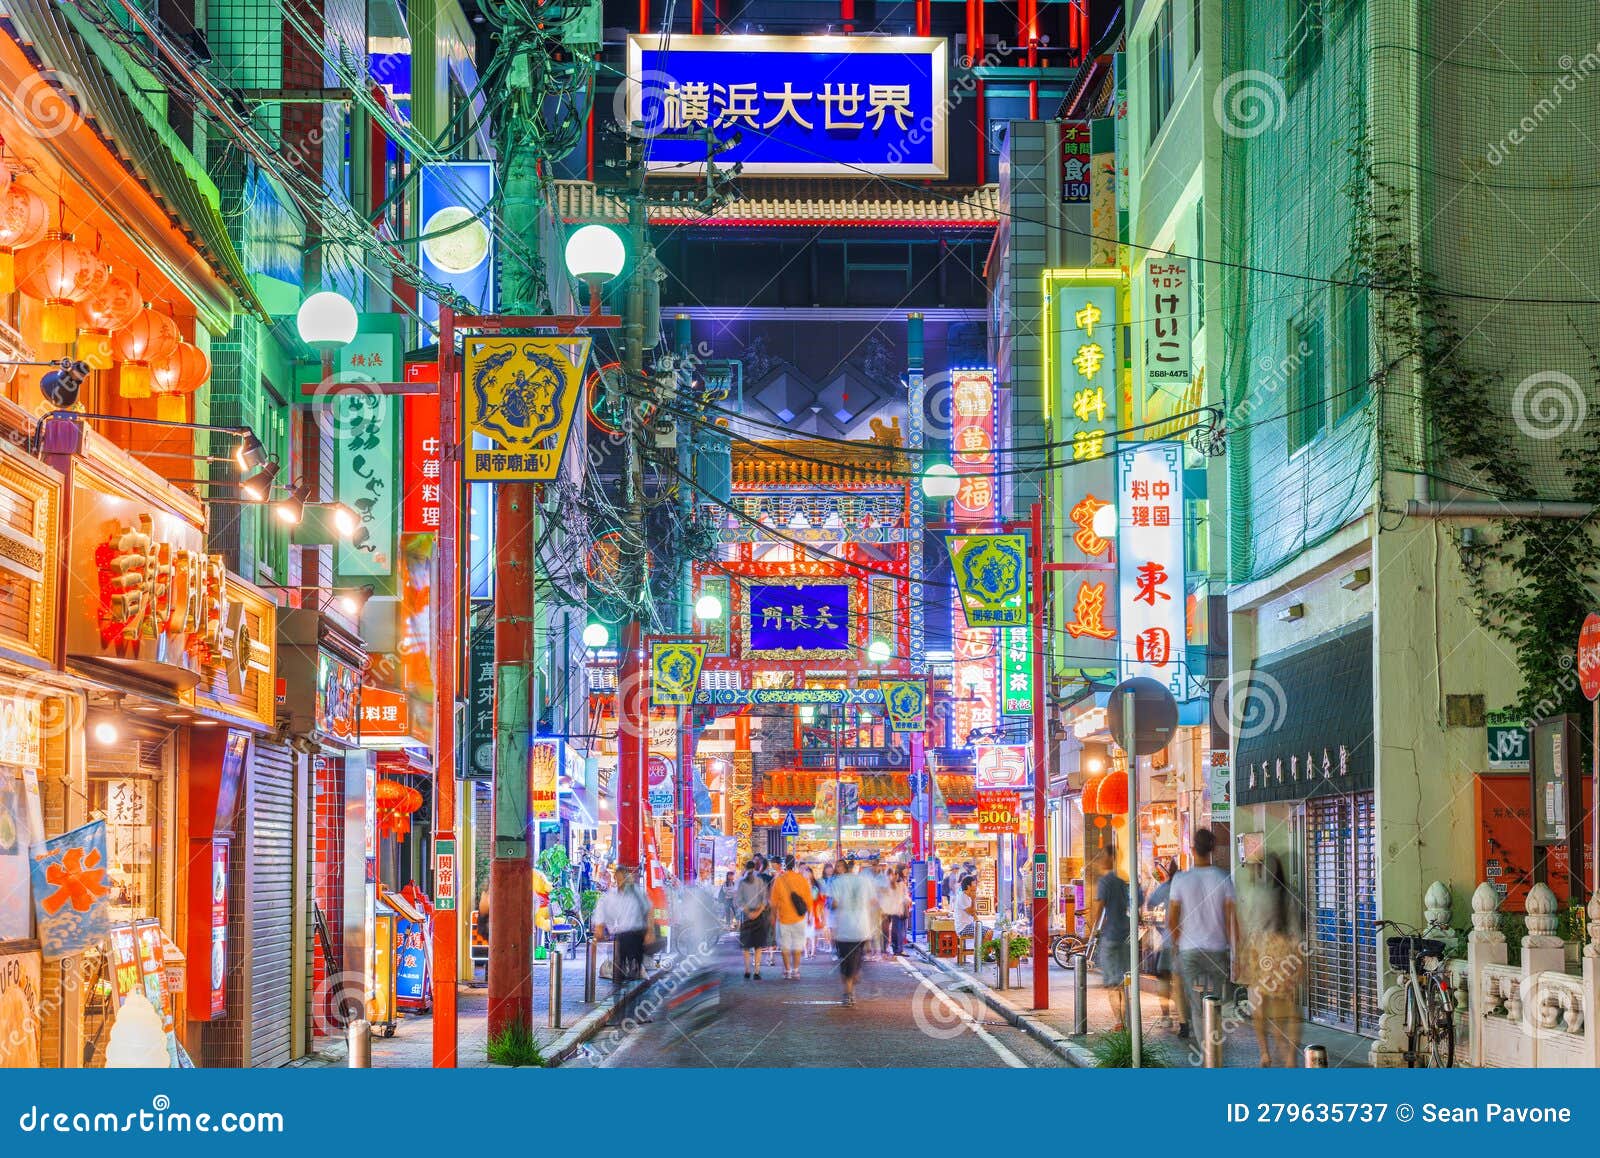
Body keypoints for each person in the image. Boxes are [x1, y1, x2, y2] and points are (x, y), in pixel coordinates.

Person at [1168, 827, 1238, 1039]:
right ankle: (1215, 1044)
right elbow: (1231, 920)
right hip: (1217, 949)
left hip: (1189, 950)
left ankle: (1204, 1049)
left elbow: (1172, 920)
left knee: (1196, 1007)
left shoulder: (1180, 879)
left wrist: (1177, 945)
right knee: (1216, 1001)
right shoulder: (1223, 878)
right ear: (1212, 849)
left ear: (1192, 849)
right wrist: (1236, 951)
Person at [1240, 853, 1304, 1066]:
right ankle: (1289, 1055)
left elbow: (1251, 928)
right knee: (1287, 1004)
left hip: (1263, 951)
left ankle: (1265, 1053)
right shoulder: (1291, 894)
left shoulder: (1257, 894)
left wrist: (1245, 958)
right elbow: (1297, 931)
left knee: (1260, 1005)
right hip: (1287, 952)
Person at [592, 864, 653, 1003]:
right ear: (615, 879)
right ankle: (620, 1001)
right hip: (621, 936)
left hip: (637, 934)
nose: (621, 882)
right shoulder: (610, 896)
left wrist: (650, 932)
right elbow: (601, 911)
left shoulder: (637, 893)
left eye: (623, 878)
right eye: (618, 879)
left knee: (635, 969)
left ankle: (636, 1001)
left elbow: (649, 910)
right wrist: (599, 930)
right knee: (619, 969)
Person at [1089, 847, 1132, 1031]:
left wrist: (1092, 930)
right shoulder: (1124, 882)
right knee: (1124, 981)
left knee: (1113, 984)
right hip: (1126, 935)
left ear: (1112, 857)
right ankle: (1127, 1021)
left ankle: (1119, 1022)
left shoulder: (1106, 881)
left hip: (1111, 937)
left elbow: (1098, 909)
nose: (1099, 859)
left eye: (1102, 856)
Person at [827, 859, 877, 1007]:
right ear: (855, 868)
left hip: (843, 927)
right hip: (862, 927)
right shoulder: (865, 881)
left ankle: (848, 993)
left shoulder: (837, 882)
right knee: (856, 959)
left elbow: (834, 903)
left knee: (845, 962)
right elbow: (873, 902)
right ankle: (853, 977)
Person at [1143, 857, 1182, 1028]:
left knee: (1164, 979)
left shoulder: (1165, 888)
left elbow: (1150, 905)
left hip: (1168, 941)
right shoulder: (1185, 887)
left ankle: (1166, 1017)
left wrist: (1159, 927)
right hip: (1188, 943)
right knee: (1181, 981)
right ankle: (1184, 1019)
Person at [770, 855, 815, 980]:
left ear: (785, 865)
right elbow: (808, 900)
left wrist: (773, 917)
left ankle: (788, 971)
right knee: (797, 945)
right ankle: (796, 971)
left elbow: (773, 902)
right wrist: (810, 915)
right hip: (799, 919)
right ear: (795, 865)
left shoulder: (779, 880)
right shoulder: (801, 879)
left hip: (783, 918)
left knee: (785, 946)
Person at [734, 860, 770, 980]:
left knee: (746, 945)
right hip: (758, 915)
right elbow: (764, 900)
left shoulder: (741, 882)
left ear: (745, 868)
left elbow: (738, 901)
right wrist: (757, 912)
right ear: (755, 868)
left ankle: (747, 970)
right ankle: (757, 971)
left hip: (746, 916)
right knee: (757, 946)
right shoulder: (760, 881)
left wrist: (748, 912)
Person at [879, 865, 910, 956]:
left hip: (895, 908)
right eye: (905, 869)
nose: (907, 871)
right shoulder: (899, 881)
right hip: (899, 908)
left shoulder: (898, 881)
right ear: (900, 870)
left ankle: (896, 948)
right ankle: (899, 950)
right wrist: (905, 902)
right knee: (900, 930)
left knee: (897, 929)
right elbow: (899, 896)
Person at [952, 874, 977, 965]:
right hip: (963, 927)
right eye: (974, 884)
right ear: (968, 886)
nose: (976, 885)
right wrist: (974, 900)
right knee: (988, 932)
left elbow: (974, 913)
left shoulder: (968, 896)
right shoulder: (962, 896)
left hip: (969, 925)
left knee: (988, 931)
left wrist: (979, 922)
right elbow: (971, 911)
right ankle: (983, 956)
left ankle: (983, 955)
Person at [802, 865, 824, 958]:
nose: (807, 875)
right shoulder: (801, 885)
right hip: (803, 911)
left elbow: (819, 899)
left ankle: (813, 952)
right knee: (805, 933)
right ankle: (806, 952)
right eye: (805, 873)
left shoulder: (816, 886)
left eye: (809, 873)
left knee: (813, 932)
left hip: (814, 910)